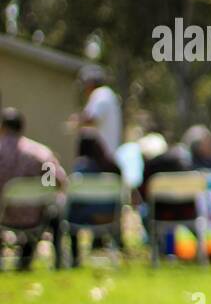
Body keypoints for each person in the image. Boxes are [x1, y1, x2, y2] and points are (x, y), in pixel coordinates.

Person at [0, 108, 68, 270]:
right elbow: (55, 183)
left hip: (4, 215)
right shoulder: (40, 154)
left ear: (2, 127)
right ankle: (58, 262)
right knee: (55, 207)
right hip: (35, 216)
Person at [71, 65, 122, 169]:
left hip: (101, 160)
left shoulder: (101, 93)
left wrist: (77, 120)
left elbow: (92, 118)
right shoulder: (107, 94)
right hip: (104, 158)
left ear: (90, 83)